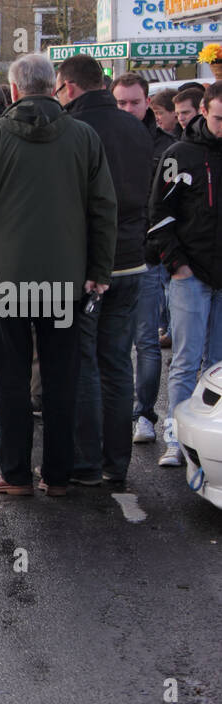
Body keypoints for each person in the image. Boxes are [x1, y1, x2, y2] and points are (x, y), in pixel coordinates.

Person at [0, 53, 117, 497]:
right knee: (62, 376)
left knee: (11, 376)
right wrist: (98, 267)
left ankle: (16, 473)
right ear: (54, 88)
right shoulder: (83, 137)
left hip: (8, 276)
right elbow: (104, 208)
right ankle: (59, 475)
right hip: (64, 277)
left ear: (16, 90)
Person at [56, 54, 152, 486]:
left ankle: (88, 463)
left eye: (59, 89)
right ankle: (118, 462)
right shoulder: (136, 127)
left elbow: (76, 202)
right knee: (117, 362)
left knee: (86, 363)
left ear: (70, 87)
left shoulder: (74, 131)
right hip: (133, 259)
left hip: (91, 264)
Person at [146, 81, 222, 467]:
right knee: (187, 359)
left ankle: (209, 442)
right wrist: (177, 265)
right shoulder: (181, 154)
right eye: (220, 117)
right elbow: (158, 214)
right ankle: (176, 437)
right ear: (205, 110)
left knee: (218, 365)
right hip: (190, 273)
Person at [112, 72, 176, 445]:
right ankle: (118, 414)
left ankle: (144, 414)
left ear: (147, 102)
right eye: (121, 102)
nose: (127, 109)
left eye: (134, 102)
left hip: (149, 256)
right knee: (114, 342)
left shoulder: (165, 145)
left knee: (147, 342)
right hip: (112, 253)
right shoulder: (102, 135)